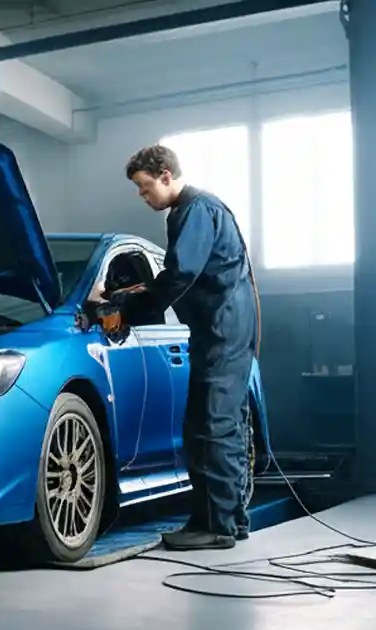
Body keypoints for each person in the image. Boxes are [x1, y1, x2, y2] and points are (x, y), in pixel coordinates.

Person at [116, 144, 259, 550]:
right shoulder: (194, 210)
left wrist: (132, 306)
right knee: (213, 426)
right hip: (220, 329)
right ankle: (227, 521)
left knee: (212, 427)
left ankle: (216, 527)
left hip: (222, 331)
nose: (144, 198)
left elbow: (181, 275)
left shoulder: (196, 209)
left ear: (165, 175)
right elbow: (183, 274)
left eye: (145, 188)